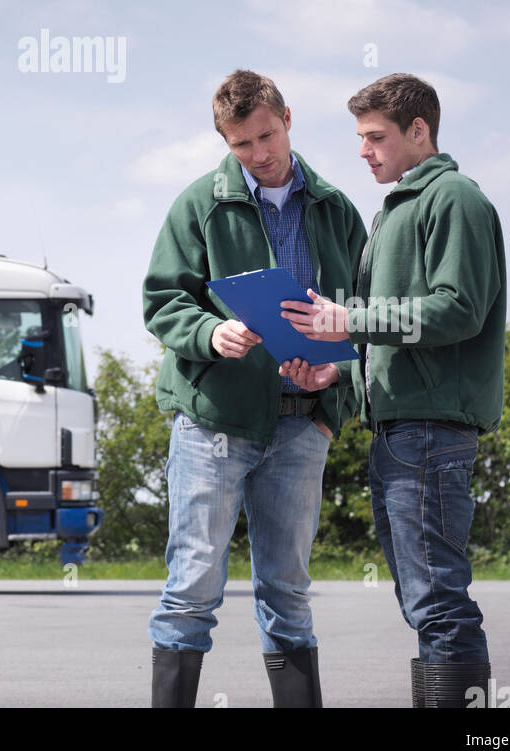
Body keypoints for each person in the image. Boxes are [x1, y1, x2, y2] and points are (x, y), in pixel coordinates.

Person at [280, 73, 506, 708]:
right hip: (400, 432)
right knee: (425, 600)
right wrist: (338, 372)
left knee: (437, 601)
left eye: (375, 136)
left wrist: (348, 320)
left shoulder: (455, 198)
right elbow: (389, 340)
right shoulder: (394, 209)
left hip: (431, 434)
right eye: (360, 138)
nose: (364, 150)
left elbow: (457, 310)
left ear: (418, 131)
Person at [144, 69, 367, 707]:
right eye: (242, 145)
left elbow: (364, 315)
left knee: (289, 592)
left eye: (267, 136)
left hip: (303, 425)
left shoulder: (336, 210)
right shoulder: (198, 205)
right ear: (225, 142)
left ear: (288, 117)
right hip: (214, 423)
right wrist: (210, 334)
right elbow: (163, 301)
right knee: (191, 588)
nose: (260, 154)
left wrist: (336, 387)